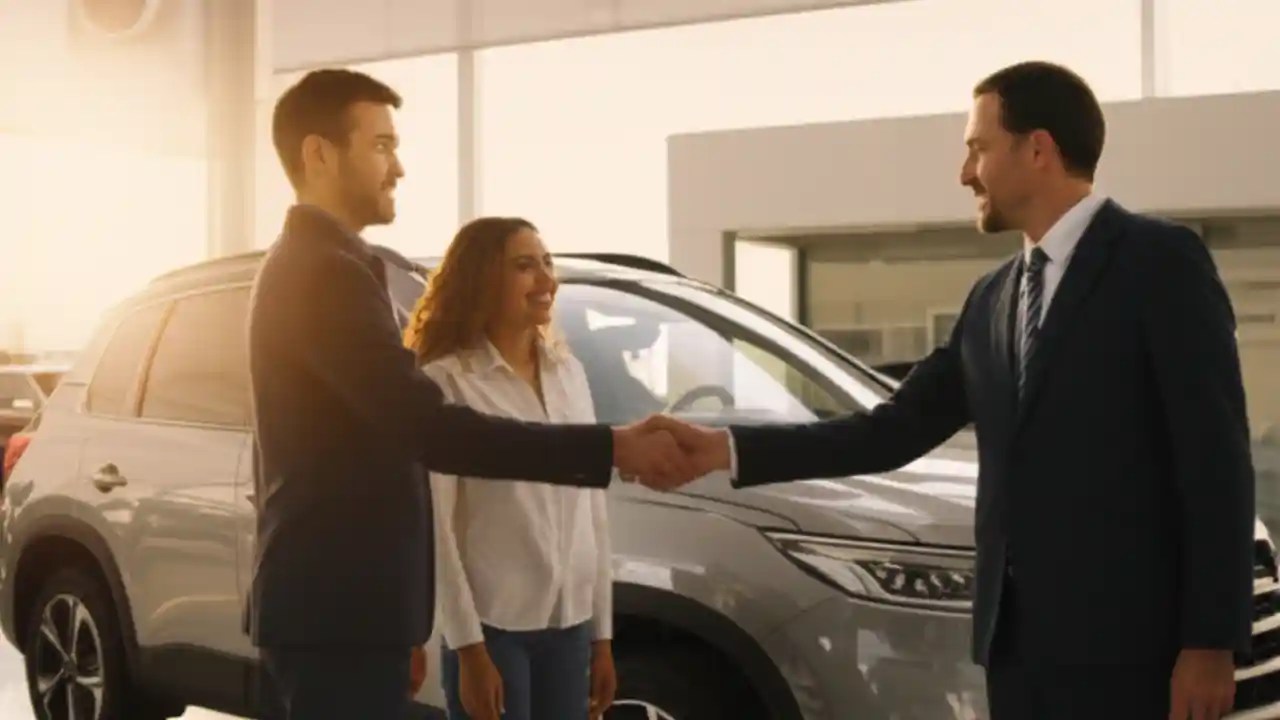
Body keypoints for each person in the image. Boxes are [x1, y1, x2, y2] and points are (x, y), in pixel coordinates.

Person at [651, 60, 1256, 720]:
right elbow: (888, 431)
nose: (965, 173)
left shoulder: (1159, 263)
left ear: (1038, 148)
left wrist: (1210, 642)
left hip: (1136, 655)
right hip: (1017, 654)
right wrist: (723, 450)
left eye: (977, 148)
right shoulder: (992, 300)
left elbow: (1215, 462)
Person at [247, 68, 690, 720]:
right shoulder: (322, 276)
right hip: (337, 614)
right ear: (318, 154)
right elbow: (433, 431)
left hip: (355, 613)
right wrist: (614, 446)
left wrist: (405, 623)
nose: (397, 168)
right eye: (380, 146)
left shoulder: (337, 268)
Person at [403, 216, 616, 720]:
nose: (547, 282)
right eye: (525, 266)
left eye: (547, 264)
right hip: (492, 632)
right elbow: (438, 533)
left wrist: (602, 636)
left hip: (571, 626)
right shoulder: (446, 381)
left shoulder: (571, 373)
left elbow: (594, 511)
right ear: (482, 279)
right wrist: (469, 651)